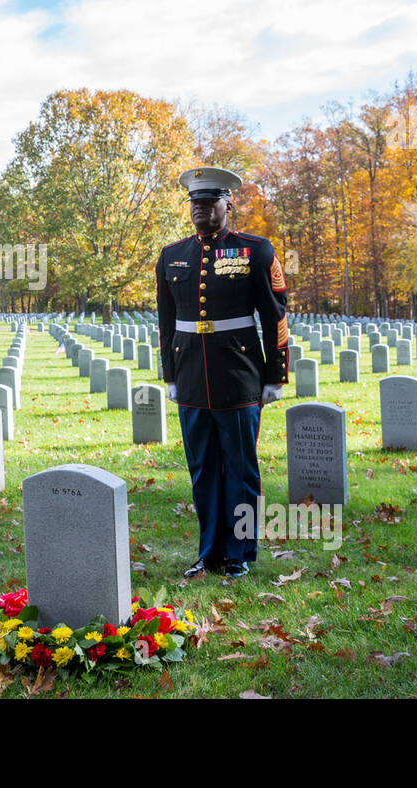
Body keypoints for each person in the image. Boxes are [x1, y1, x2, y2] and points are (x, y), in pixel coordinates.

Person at [155, 167, 289, 580]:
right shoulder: (171, 255)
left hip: (239, 375)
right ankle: (209, 552)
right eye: (195, 202)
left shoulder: (256, 250)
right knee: (203, 469)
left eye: (210, 202)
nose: (201, 209)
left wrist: (275, 376)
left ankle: (240, 554)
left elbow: (275, 316)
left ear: (228, 205)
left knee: (241, 468)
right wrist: (171, 375)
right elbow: (166, 320)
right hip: (193, 376)